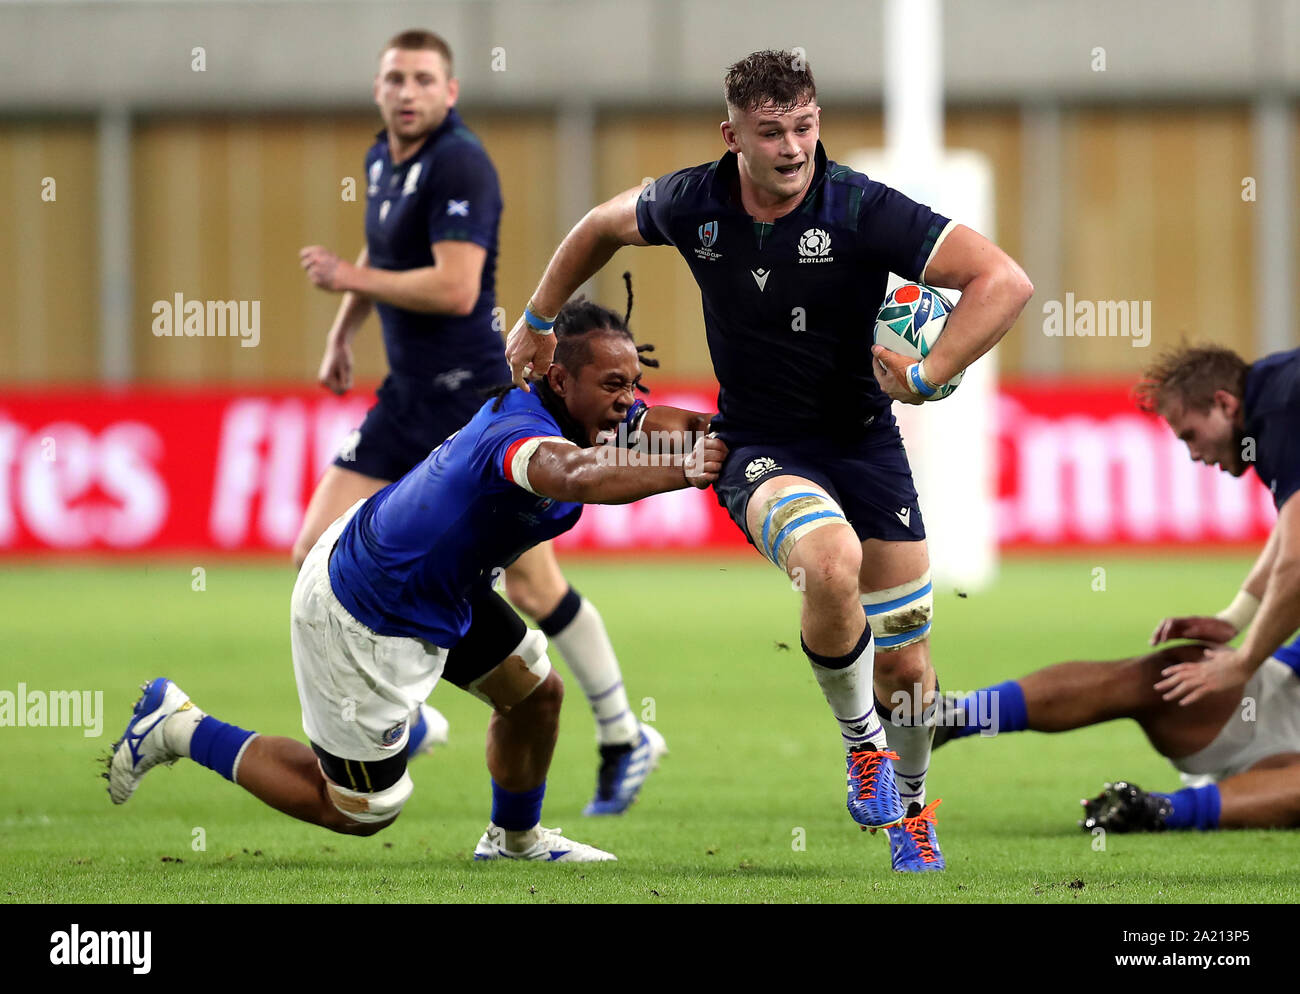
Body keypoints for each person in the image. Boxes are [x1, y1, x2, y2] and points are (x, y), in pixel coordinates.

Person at [504, 50, 1032, 871]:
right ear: (734, 134)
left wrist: (926, 375)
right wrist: (538, 317)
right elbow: (602, 225)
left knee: (910, 664)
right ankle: (863, 750)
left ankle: (913, 806)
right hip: (758, 446)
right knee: (831, 562)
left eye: (805, 127)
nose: (792, 148)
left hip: (866, 445)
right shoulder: (691, 200)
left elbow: (1003, 280)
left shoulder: (859, 208)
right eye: (772, 131)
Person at [106, 298, 725, 860]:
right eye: (614, 385)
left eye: (633, 385)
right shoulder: (518, 433)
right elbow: (578, 477)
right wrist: (688, 472)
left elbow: (663, 426)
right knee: (361, 808)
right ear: (559, 380)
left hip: (437, 583)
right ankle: (180, 726)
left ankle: (514, 842)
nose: (628, 400)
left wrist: (732, 435)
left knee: (536, 697)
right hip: (370, 604)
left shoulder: (588, 411)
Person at [294, 29, 665, 813]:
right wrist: (342, 328)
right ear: (377, 88)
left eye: (423, 79)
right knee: (311, 552)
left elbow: (458, 289)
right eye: (394, 77)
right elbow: (384, 248)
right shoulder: (383, 159)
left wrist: (345, 279)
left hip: (466, 392)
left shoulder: (460, 161)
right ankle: (419, 710)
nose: (406, 91)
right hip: (406, 395)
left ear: (449, 92)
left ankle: (623, 731)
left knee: (530, 583)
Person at [931, 345, 1300, 832]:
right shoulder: (1276, 394)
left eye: (1191, 435)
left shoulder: (1282, 406)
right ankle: (950, 718)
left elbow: (1296, 563)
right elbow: (1291, 535)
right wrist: (1236, 619)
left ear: (1226, 404)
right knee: (1170, 674)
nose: (1193, 455)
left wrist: (1245, 658)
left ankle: (1155, 812)